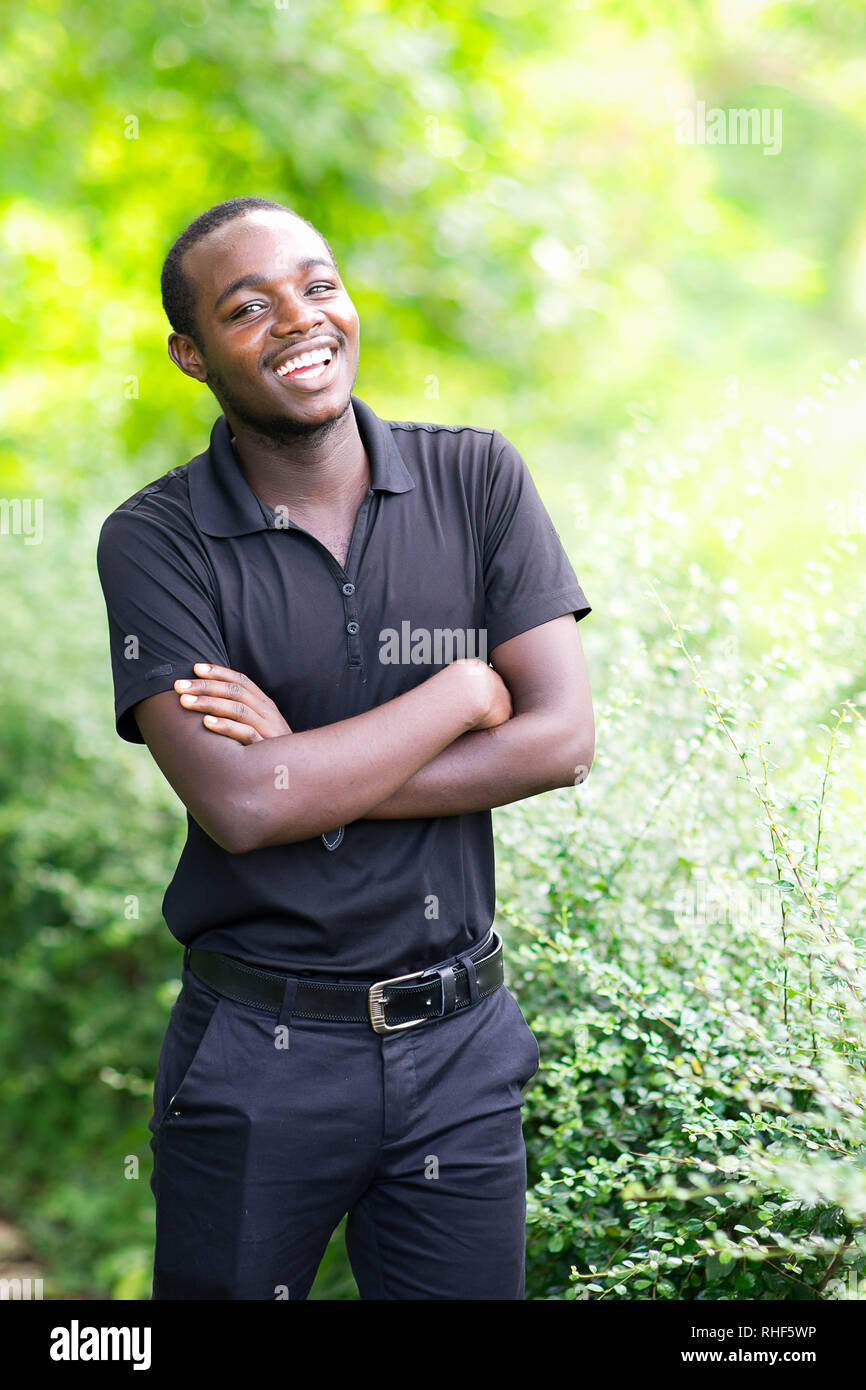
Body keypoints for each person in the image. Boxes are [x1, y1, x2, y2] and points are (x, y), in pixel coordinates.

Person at [95, 196, 595, 1300]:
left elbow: (558, 740)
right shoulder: (155, 540)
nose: (297, 320)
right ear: (190, 354)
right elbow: (241, 806)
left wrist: (307, 768)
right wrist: (463, 689)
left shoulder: (476, 480)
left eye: (317, 286)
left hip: (462, 1046)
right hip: (256, 1058)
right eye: (247, 307)